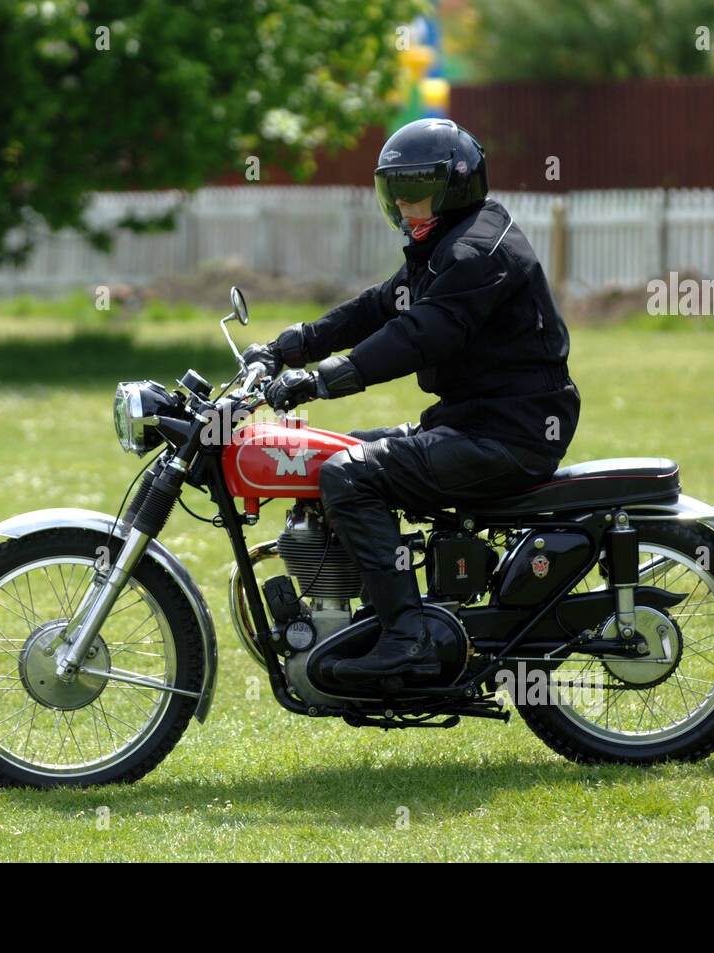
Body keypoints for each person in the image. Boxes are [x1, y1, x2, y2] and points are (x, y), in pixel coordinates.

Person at [242, 117, 580, 686]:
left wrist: (323, 380)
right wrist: (288, 347)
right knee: (334, 457)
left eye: (417, 195)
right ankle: (374, 617)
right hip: (471, 420)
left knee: (350, 477)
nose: (406, 209)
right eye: (396, 196)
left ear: (456, 186)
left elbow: (422, 333)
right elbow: (380, 306)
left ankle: (408, 640)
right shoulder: (448, 241)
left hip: (510, 433)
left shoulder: (476, 250)